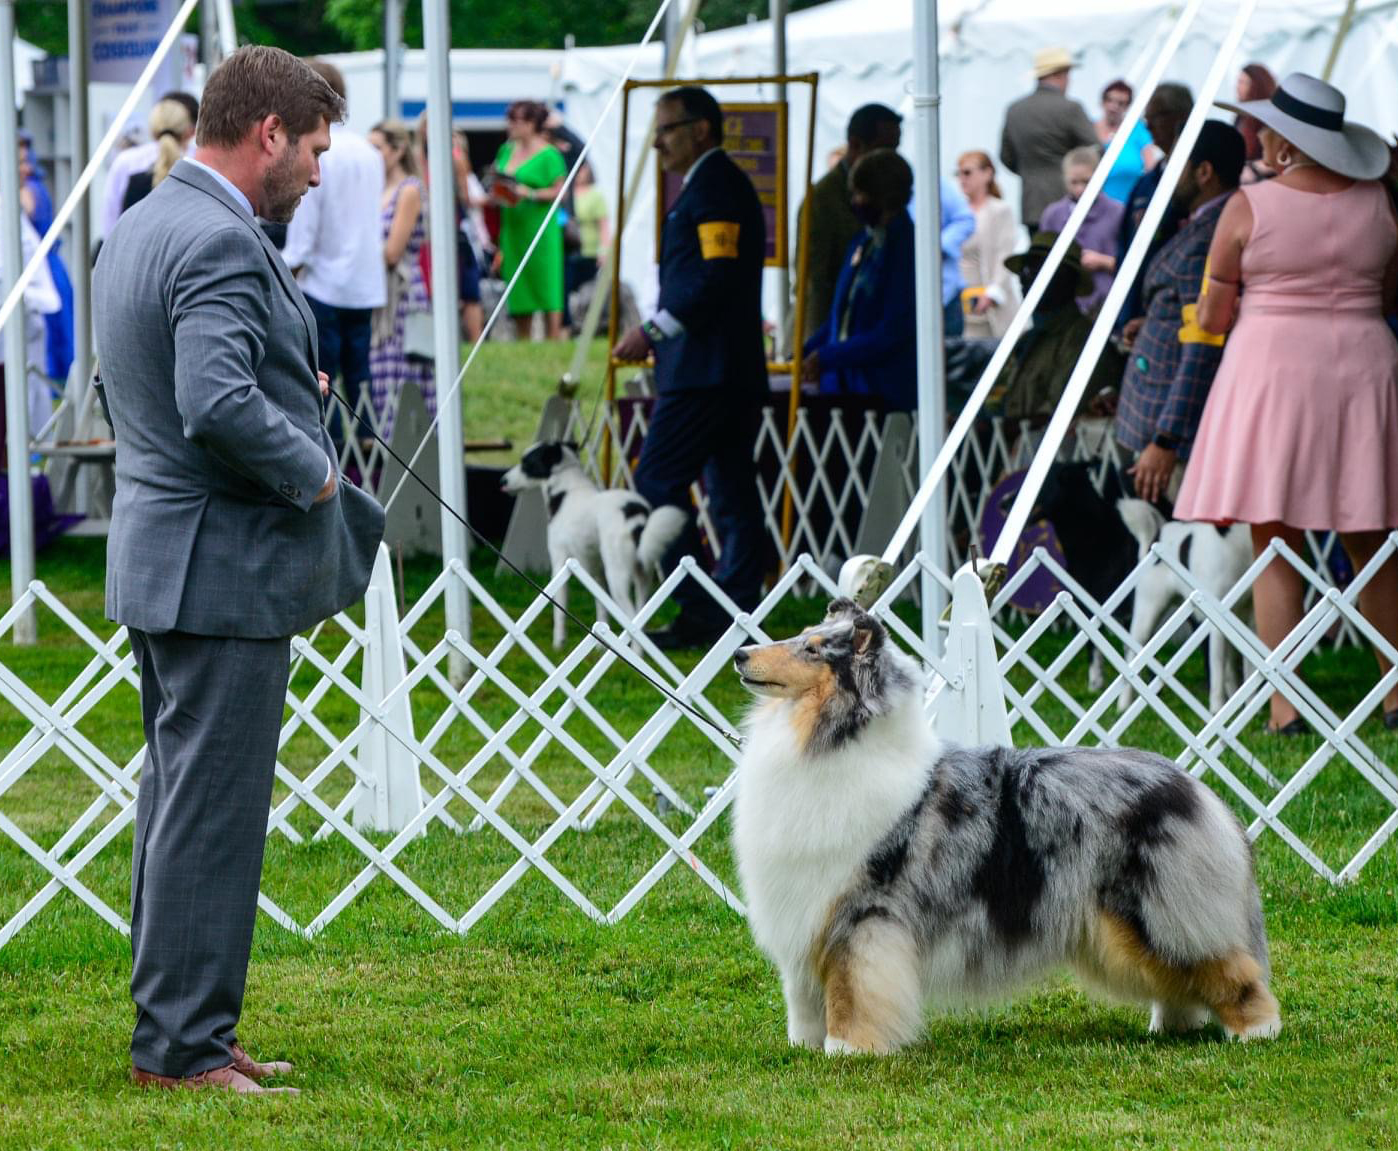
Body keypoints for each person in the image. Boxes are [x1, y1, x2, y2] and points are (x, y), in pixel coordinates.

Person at [91, 45, 383, 1094]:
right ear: (267, 133)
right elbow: (213, 402)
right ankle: (184, 1049)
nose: (317, 169)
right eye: (311, 147)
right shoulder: (218, 241)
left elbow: (149, 380)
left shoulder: (145, 222)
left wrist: (276, 372)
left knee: (178, 811)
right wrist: (311, 471)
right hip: (218, 569)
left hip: (163, 556)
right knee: (209, 819)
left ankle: (182, 1028)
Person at [1176, 74, 1398, 734]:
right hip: (1364, 363)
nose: (1261, 134)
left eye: (1268, 127)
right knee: (1373, 534)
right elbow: (1389, 296)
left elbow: (1214, 311)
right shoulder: (1382, 203)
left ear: (1287, 143)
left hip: (1271, 369)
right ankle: (1395, 692)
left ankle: (1285, 703)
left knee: (1275, 535)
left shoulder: (1248, 206)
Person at [612, 86, 767, 649]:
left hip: (708, 369)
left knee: (658, 479)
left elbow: (715, 278)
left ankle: (706, 603)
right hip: (718, 367)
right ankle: (739, 603)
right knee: (731, 485)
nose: (657, 143)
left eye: (666, 130)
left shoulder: (717, 185)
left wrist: (654, 330)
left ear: (700, 129)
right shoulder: (703, 185)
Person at [1112, 121, 1246, 510]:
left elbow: (1202, 347)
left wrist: (1166, 438)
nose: (1165, 175)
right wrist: (1155, 323)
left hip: (1174, 437)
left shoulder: (1208, 238)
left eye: (1175, 165)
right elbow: (1187, 318)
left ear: (1204, 173)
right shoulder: (1205, 224)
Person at [281, 60, 387, 422]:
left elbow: (305, 230)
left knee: (321, 381)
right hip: (363, 282)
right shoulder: (370, 153)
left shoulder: (320, 152)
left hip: (323, 282)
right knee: (360, 379)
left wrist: (287, 269)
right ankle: (364, 456)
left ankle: (332, 455)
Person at [801, 150, 917, 410]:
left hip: (883, 390)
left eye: (859, 194)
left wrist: (829, 356)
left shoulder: (907, 248)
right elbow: (840, 316)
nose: (854, 201)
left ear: (883, 196)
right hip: (845, 385)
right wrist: (807, 351)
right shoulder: (863, 242)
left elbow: (892, 330)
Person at [795, 103, 902, 343]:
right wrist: (816, 350)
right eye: (884, 149)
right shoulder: (822, 200)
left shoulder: (888, 202)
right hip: (836, 338)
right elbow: (814, 283)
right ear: (855, 145)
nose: (891, 158)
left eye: (895, 150)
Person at [988, 233, 1123, 422]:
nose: (1024, 280)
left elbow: (1060, 414)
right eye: (1024, 272)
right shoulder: (1027, 340)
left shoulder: (1083, 341)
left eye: (1036, 271)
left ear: (1066, 279)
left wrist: (1012, 428)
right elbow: (999, 399)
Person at [367, 119, 435, 440]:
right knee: (380, 372)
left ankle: (410, 439)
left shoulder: (409, 189)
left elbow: (394, 251)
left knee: (404, 371)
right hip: (377, 293)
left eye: (377, 148)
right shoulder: (374, 188)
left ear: (397, 151)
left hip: (402, 294)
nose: (371, 155)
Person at [1114, 83, 1193, 335]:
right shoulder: (1145, 184)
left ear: (1180, 117)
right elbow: (1126, 250)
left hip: (1180, 314)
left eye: (1155, 117)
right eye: (1146, 119)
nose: (1147, 127)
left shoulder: (1202, 180)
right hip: (1139, 306)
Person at [492, 100, 567, 340]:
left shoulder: (549, 154)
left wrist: (530, 193)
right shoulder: (506, 150)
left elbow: (561, 192)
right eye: (510, 120)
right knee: (518, 284)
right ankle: (523, 338)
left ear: (532, 123)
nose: (511, 125)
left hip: (540, 229)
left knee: (546, 283)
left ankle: (552, 338)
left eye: (517, 120)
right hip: (512, 227)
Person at [1000, 47, 1098, 229]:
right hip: (1068, 203)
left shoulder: (1015, 110)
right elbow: (1094, 150)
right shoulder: (1070, 108)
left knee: (1038, 255)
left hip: (1031, 205)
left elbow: (1006, 157)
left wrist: (1030, 173)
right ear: (1059, 75)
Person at [100, 91, 200, 239]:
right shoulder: (200, 164)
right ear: (191, 131)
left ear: (153, 129)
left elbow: (110, 220)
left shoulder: (127, 162)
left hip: (132, 254)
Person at [1039, 145, 1123, 315]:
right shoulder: (1053, 215)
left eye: (1086, 181)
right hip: (1066, 304)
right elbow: (1041, 261)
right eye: (1074, 182)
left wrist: (1103, 261)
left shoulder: (1117, 212)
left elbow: (1132, 263)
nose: (1080, 189)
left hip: (1108, 303)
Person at [956, 150, 1020, 341]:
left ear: (987, 174)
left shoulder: (999, 210)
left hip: (990, 307)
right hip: (962, 308)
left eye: (967, 173)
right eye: (959, 174)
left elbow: (1005, 254)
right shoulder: (957, 211)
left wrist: (993, 292)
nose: (962, 179)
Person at [120, 99, 197, 212]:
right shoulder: (197, 180)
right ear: (188, 132)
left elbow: (117, 220)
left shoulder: (132, 172)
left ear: (152, 131)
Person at [1096, 79, 1158, 203]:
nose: (1114, 107)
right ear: (1102, 102)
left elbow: (1151, 167)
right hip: (1095, 207)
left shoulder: (1137, 129)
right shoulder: (1088, 129)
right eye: (1110, 100)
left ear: (1127, 107)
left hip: (1129, 204)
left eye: (1121, 103)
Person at [566, 161, 610, 306]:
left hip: (589, 252)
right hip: (570, 250)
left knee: (586, 293)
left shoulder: (595, 195)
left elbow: (603, 226)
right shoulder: (567, 192)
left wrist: (604, 251)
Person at [1234, 63, 1278, 181]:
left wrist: (1252, 169)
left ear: (1256, 86)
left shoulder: (1269, 120)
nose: (1237, 87)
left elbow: (1278, 159)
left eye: (1243, 82)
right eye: (1238, 82)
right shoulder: (1241, 116)